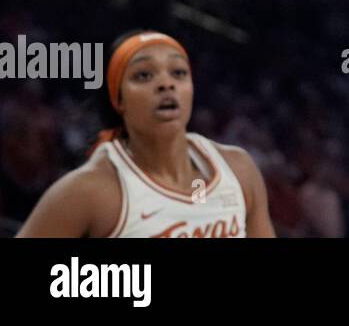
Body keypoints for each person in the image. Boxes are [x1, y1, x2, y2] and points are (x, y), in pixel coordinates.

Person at [17, 30, 274, 237]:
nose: (166, 83)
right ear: (118, 99)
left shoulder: (238, 169)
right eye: (143, 75)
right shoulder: (93, 190)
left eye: (178, 72)